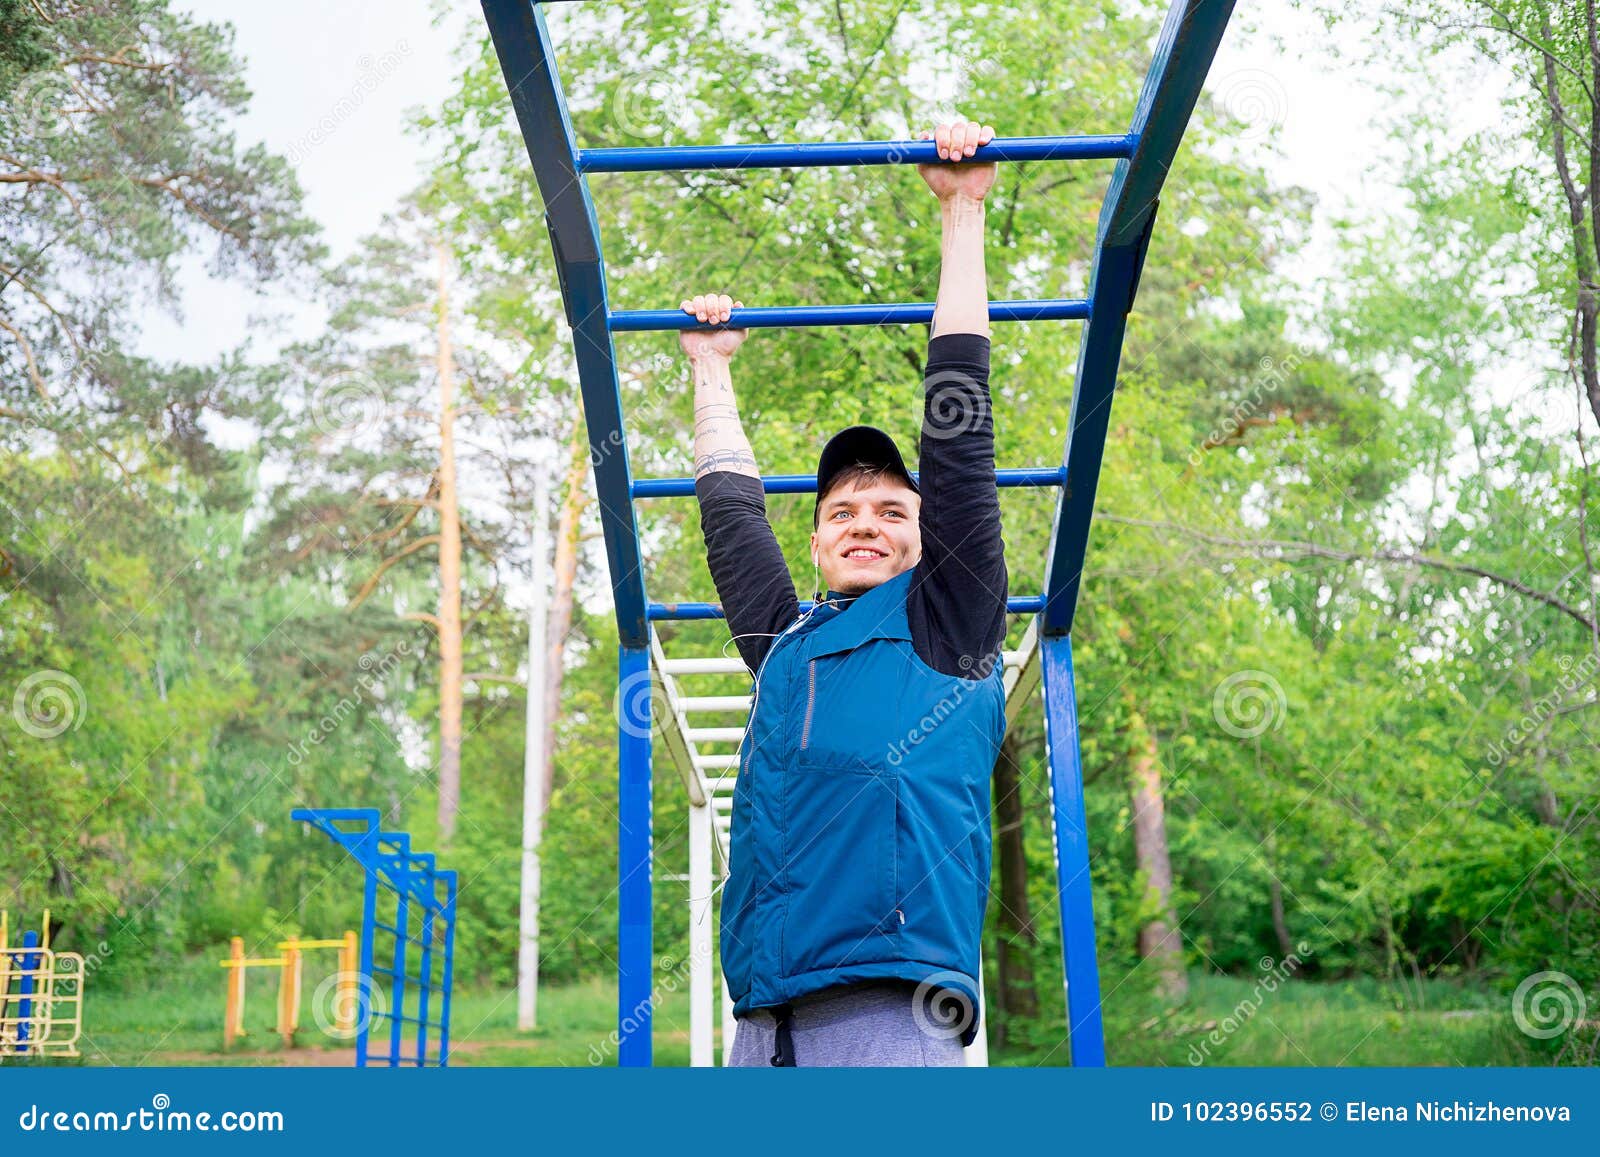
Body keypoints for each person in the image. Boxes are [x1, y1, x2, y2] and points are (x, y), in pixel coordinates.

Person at [682, 118, 1008, 1067]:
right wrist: (710, 369)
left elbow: (959, 435)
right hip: (764, 1019)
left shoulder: (950, 622)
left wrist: (961, 214)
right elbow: (733, 523)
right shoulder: (788, 650)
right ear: (820, 542)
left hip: (890, 1012)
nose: (865, 522)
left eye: (892, 510)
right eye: (842, 511)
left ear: (926, 538)